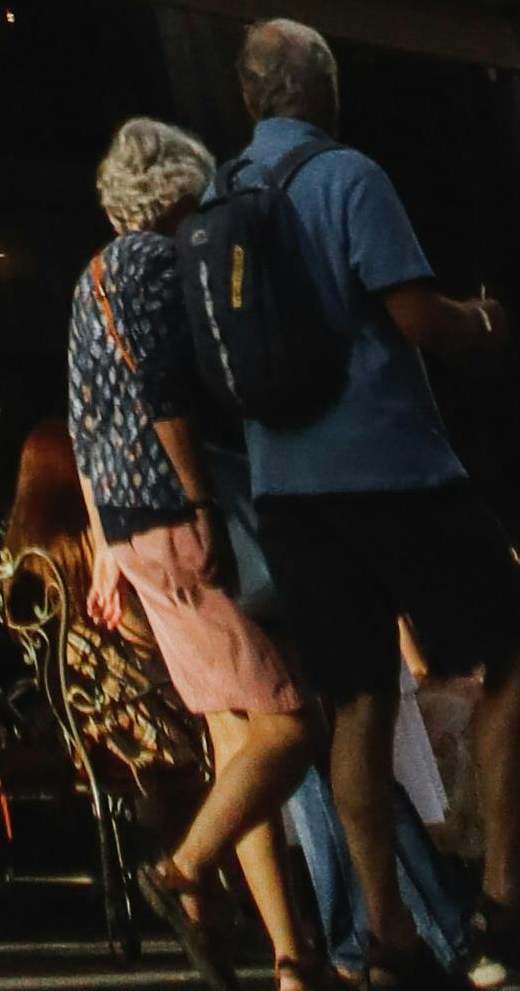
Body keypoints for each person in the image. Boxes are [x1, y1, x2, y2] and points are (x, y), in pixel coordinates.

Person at [215, 21, 520, 988]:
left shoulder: (222, 192)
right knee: (518, 653)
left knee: (355, 705)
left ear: (249, 102)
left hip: (286, 488)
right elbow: (416, 317)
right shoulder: (347, 176)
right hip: (393, 473)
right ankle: (503, 902)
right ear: (324, 90)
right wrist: (484, 321)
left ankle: (387, 932)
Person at [66, 115, 321, 988]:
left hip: (132, 530)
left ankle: (289, 959)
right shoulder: (159, 262)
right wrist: (204, 497)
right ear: (177, 188)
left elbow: (83, 422)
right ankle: (182, 873)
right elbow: (165, 391)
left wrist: (104, 545)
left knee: (233, 728)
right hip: (176, 513)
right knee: (292, 722)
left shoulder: (90, 278)